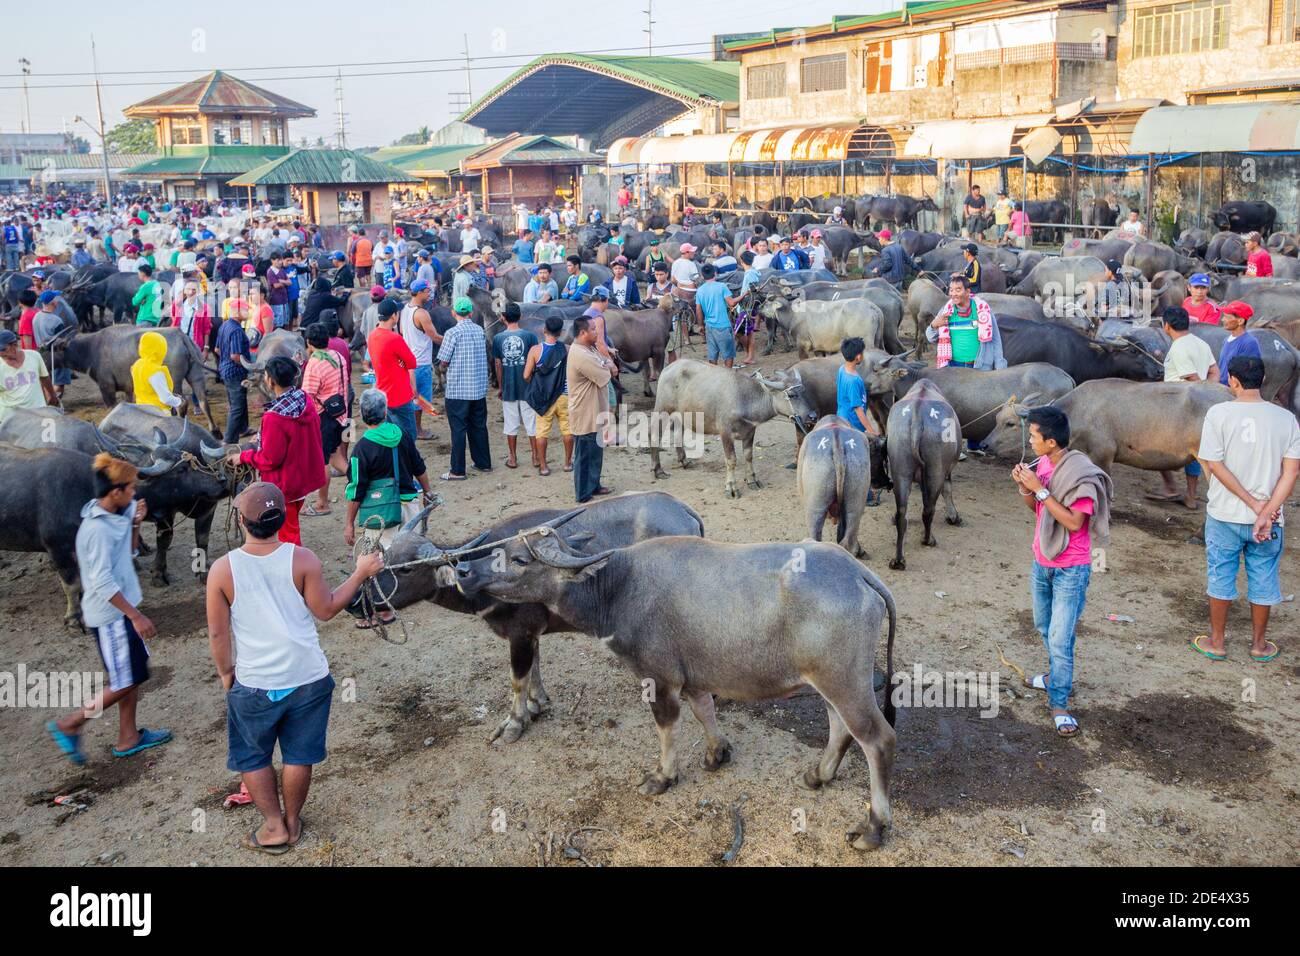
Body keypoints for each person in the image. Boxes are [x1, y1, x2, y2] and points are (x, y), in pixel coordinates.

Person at [206, 481, 384, 855]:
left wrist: (226, 673)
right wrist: (361, 572)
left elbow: (218, 633)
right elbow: (327, 609)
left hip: (254, 682)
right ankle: (292, 821)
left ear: (242, 521)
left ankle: (273, 826)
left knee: (254, 756)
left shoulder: (223, 570)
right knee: (299, 754)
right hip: (308, 677)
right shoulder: (302, 559)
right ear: (283, 518)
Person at [47, 454, 173, 765]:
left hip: (120, 612)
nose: (135, 493)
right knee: (123, 680)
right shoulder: (96, 531)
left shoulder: (117, 515)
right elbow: (100, 581)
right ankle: (71, 723)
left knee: (130, 674)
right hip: (112, 616)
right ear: (114, 492)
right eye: (130, 488)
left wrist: (135, 524)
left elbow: (128, 552)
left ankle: (128, 736)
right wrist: (134, 614)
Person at [1010, 405, 1111, 738]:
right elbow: (1037, 509)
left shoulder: (1080, 473)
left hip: (1071, 567)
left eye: (1034, 436)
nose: (1030, 441)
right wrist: (1026, 486)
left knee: (1060, 637)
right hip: (1042, 560)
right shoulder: (1044, 464)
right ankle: (1056, 676)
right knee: (1044, 625)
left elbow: (1072, 521)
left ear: (1051, 441)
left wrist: (1039, 488)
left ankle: (1059, 704)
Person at [1194, 355, 1300, 663]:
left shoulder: (1218, 413)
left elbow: (1215, 465)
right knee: (1264, 576)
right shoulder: (1285, 419)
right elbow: (1291, 473)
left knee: (1220, 574)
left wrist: (1252, 504)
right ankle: (1258, 645)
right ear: (1264, 380)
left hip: (1224, 514)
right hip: (1269, 521)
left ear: (1233, 381)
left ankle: (1216, 642)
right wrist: (1266, 512)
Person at [226, 356, 327, 546]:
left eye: (265, 375)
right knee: (292, 522)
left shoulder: (274, 417)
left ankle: (294, 570)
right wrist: (263, 436)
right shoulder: (304, 399)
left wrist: (244, 456)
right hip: (303, 478)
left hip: (285, 484)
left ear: (271, 381)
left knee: (288, 534)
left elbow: (270, 458)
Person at [344, 389, 434, 558]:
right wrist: (427, 492)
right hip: (410, 509)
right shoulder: (402, 434)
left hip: (381, 513)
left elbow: (356, 490)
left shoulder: (361, 449)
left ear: (362, 415)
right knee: (412, 561)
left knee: (380, 563)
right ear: (385, 412)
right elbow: (419, 466)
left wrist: (349, 523)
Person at [1150, 306, 1218, 509]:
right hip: (1197, 406)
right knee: (1196, 449)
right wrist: (1211, 391)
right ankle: (1189, 495)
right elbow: (1214, 371)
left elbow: (1191, 378)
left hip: (1177, 407)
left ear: (1166, 326)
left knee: (1152, 441)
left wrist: (1201, 392)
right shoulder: (1201, 343)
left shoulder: (1179, 347)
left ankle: (1170, 486)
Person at [368, 298, 437, 443]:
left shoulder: (372, 336)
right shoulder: (395, 338)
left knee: (391, 433)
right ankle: (408, 462)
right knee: (409, 435)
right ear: (394, 316)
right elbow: (412, 362)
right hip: (399, 395)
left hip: (382, 394)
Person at [437, 296, 492, 480]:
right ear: (470, 313)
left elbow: (443, 361)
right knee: (478, 426)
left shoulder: (452, 333)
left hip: (458, 389)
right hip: (477, 387)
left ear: (454, 313)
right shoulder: (479, 331)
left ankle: (457, 470)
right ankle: (483, 462)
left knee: (458, 429)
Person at [302, 324, 350, 518]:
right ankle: (360, 478)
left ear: (309, 343)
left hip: (323, 417)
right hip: (340, 413)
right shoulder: (337, 356)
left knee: (323, 461)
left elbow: (307, 395)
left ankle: (322, 502)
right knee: (335, 457)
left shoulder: (314, 363)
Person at [567, 315, 614, 502]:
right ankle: (582, 493)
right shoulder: (580, 354)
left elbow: (604, 362)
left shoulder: (589, 349)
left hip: (595, 411)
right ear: (582, 333)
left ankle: (594, 484)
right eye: (593, 329)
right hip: (585, 413)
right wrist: (608, 365)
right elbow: (604, 373)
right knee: (584, 455)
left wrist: (606, 363)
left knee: (595, 451)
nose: (597, 332)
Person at [493, 303, 540, 469]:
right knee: (531, 423)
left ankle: (512, 458)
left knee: (510, 423)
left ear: (503, 318)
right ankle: (535, 456)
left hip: (509, 386)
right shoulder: (530, 336)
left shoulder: (498, 338)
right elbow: (534, 362)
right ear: (520, 317)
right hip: (527, 386)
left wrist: (501, 386)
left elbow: (498, 365)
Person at [525, 315, 573, 477]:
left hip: (544, 397)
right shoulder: (567, 349)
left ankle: (544, 466)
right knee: (567, 430)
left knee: (542, 432)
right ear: (560, 332)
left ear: (544, 330)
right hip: (564, 395)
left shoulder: (535, 350)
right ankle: (567, 463)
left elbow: (526, 376)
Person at [925, 274, 1006, 371]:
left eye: (958, 290)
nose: (953, 294)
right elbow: (931, 338)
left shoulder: (982, 310)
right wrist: (934, 325)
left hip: (979, 367)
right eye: (951, 290)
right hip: (953, 366)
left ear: (967, 292)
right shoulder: (946, 312)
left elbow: (995, 339)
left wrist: (1000, 365)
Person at [400, 279, 441, 440]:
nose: (429, 294)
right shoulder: (422, 313)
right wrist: (454, 340)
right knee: (419, 398)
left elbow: (403, 333)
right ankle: (417, 430)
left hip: (409, 360)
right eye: (427, 291)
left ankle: (413, 428)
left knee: (412, 396)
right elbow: (435, 336)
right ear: (420, 292)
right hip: (421, 362)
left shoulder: (405, 310)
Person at [215, 301, 254, 442]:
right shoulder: (237, 331)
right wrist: (249, 365)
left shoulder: (224, 325)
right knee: (237, 407)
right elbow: (235, 356)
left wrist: (225, 362)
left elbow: (217, 350)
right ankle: (229, 440)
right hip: (235, 372)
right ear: (237, 312)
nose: (248, 313)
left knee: (238, 402)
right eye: (246, 310)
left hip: (225, 370)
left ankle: (243, 429)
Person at [0, 328, 57, 421]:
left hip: (38, 413)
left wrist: (52, 395)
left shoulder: (34, 356)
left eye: (2, 349)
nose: (0, 353)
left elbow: (44, 377)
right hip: (11, 419)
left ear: (14, 345)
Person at [32, 290, 74, 401]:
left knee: (47, 381)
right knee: (59, 383)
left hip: (42, 355)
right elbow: (62, 342)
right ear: (53, 303)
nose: (57, 301)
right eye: (56, 299)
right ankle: (53, 403)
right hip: (55, 356)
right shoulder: (56, 321)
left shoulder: (36, 317)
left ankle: (47, 401)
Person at [695, 263, 738, 368]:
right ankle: (728, 376)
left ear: (702, 275)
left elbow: (698, 310)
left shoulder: (700, 291)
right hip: (723, 326)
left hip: (709, 326)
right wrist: (744, 294)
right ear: (715, 273)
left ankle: (712, 377)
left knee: (712, 355)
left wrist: (700, 325)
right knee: (728, 355)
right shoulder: (722, 287)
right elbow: (731, 303)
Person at [130, 330, 185, 414]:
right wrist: (179, 402)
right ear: (160, 349)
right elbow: (165, 398)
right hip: (157, 413)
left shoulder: (137, 364)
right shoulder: (155, 371)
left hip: (141, 410)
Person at [1216, 302, 1262, 386]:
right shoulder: (1226, 340)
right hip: (1223, 388)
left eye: (1227, 317)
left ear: (1240, 321)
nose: (1223, 319)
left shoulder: (1249, 343)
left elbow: (1249, 372)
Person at [170, 278, 211, 359]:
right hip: (178, 343)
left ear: (198, 291)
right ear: (184, 290)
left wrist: (206, 349)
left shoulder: (205, 308)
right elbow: (174, 317)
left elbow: (207, 330)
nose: (190, 292)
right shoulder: (178, 304)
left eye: (194, 290)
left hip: (195, 344)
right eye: (188, 289)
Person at [266, 251, 292, 329]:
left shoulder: (281, 270)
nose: (280, 262)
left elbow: (290, 282)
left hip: (284, 300)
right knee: (277, 324)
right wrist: (284, 282)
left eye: (281, 260)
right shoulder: (270, 272)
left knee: (285, 321)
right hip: (276, 301)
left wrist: (281, 281)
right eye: (278, 260)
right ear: (272, 260)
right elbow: (276, 285)